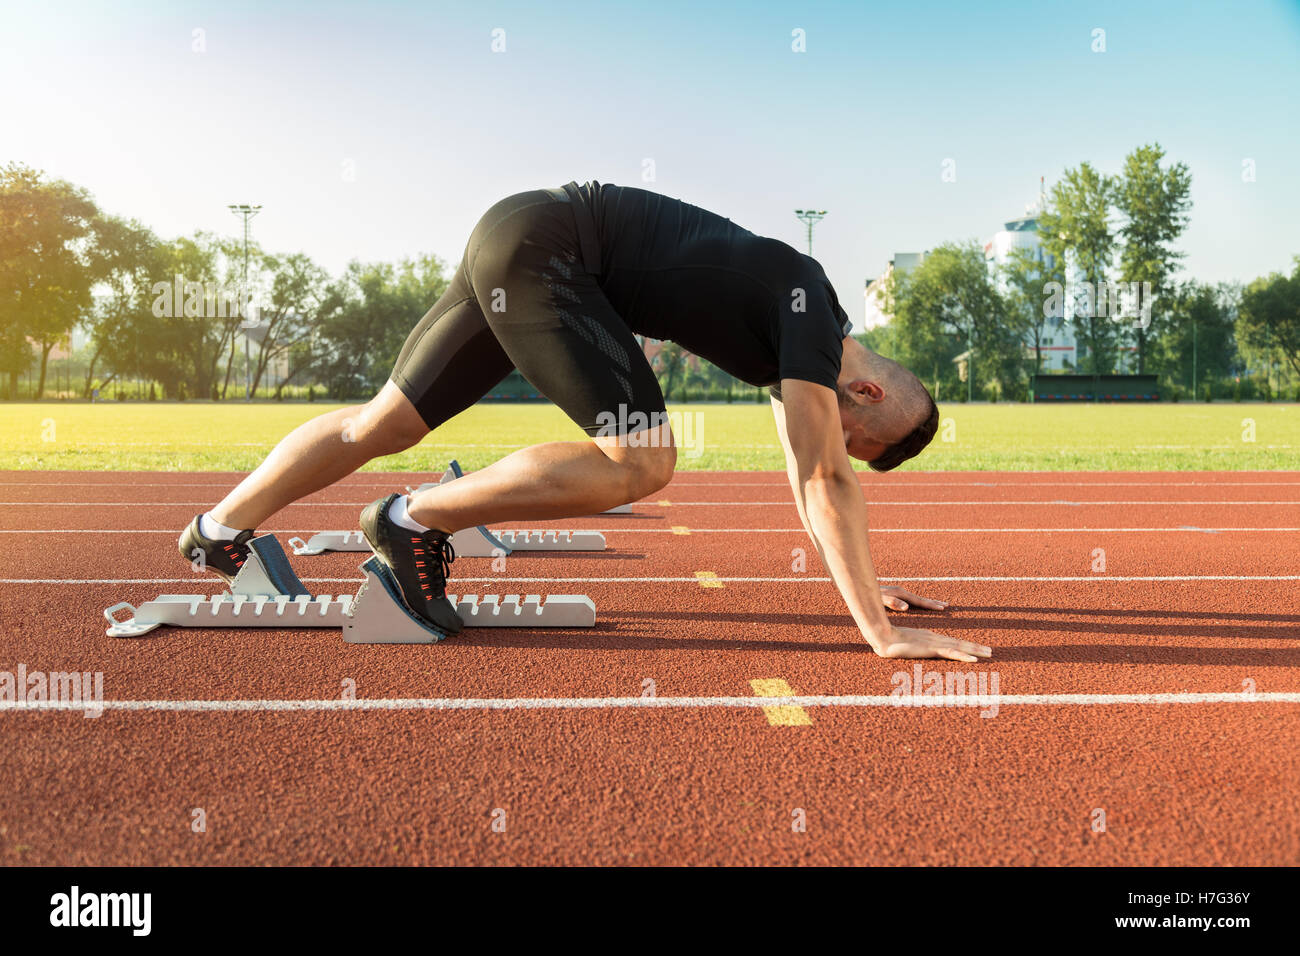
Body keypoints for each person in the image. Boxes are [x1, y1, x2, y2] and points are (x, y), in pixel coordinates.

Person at [179, 181, 991, 662]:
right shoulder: (811, 320)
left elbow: (806, 477)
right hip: (551, 254)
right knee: (643, 460)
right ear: (870, 397)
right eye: (859, 439)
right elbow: (824, 476)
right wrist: (879, 633)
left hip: (517, 231)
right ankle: (408, 519)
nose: (842, 446)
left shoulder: (800, 328)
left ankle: (216, 528)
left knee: (382, 422)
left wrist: (861, 580)